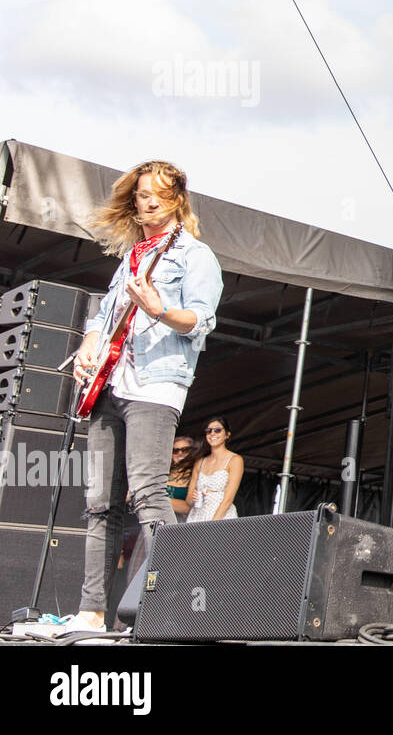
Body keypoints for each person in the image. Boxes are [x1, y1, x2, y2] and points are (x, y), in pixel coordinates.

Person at [32, 160, 223, 637]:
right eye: (141, 193)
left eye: (159, 192)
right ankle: (92, 612)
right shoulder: (134, 257)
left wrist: (160, 310)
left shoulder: (195, 256)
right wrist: (90, 341)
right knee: (99, 503)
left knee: (148, 494)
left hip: (156, 387)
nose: (149, 200)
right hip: (109, 386)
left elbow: (201, 320)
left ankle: (173, 611)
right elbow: (106, 311)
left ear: (177, 197)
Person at [187, 416, 243, 521]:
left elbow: (228, 499)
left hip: (221, 516)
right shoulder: (200, 462)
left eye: (217, 430)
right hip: (197, 515)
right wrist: (193, 499)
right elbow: (188, 500)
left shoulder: (235, 460)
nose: (212, 433)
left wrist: (213, 524)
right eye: (208, 431)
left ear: (227, 435)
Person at [168, 434, 198, 521]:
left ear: (192, 452)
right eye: (175, 450)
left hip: (183, 525)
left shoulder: (197, 473)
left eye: (185, 450)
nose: (180, 453)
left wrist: (156, 499)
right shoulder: (165, 473)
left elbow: (189, 509)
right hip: (158, 522)